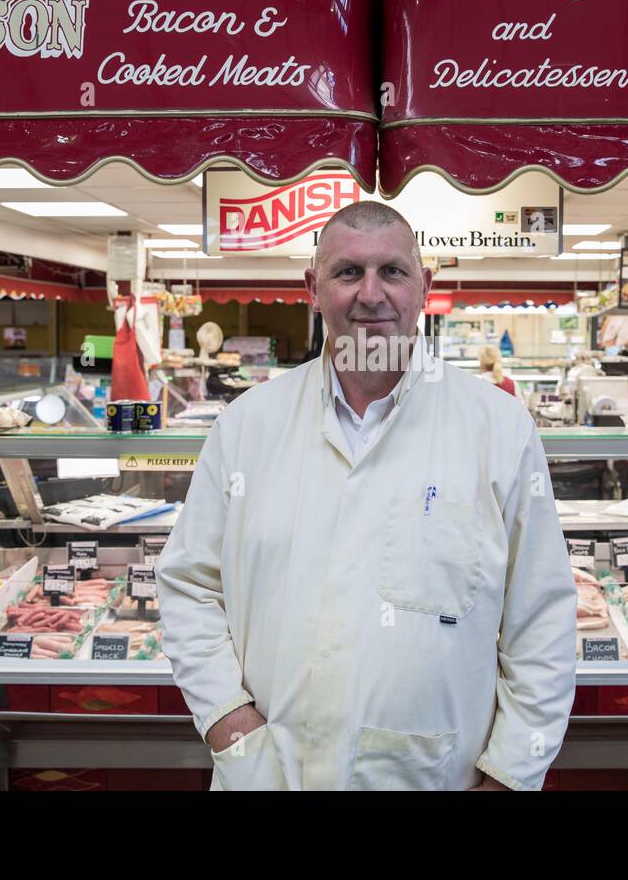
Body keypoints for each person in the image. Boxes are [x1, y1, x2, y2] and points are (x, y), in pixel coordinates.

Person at [157, 200, 577, 791]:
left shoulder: (499, 429)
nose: (371, 294)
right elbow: (187, 586)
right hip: (269, 775)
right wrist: (230, 723)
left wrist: (510, 775)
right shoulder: (248, 425)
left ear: (424, 286)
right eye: (348, 272)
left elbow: (542, 623)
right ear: (313, 288)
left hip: (437, 777)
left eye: (393, 272)